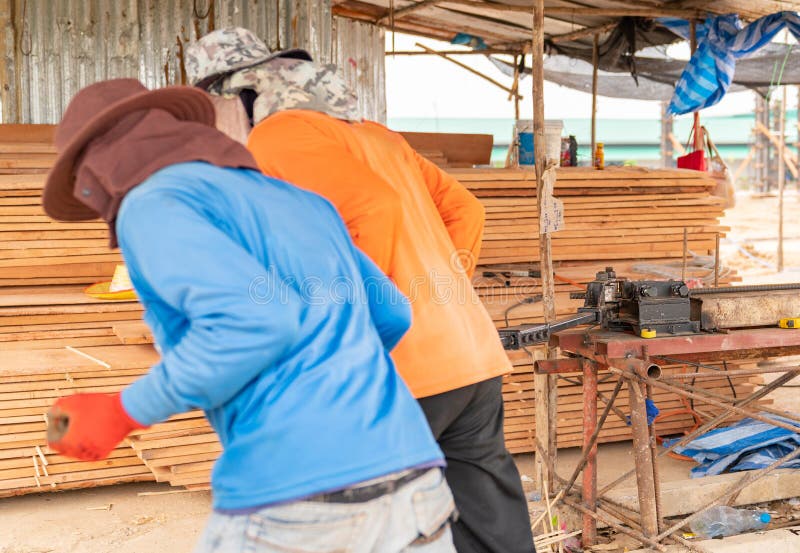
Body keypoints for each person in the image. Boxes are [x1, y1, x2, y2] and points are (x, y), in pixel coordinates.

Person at [42, 78, 457, 553]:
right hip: (410, 477)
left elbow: (252, 323)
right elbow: (391, 312)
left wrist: (124, 410)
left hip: (298, 492)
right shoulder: (300, 201)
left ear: (95, 173)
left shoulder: (152, 204)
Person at [186, 28, 535, 553]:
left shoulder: (276, 137)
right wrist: (441, 291)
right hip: (467, 357)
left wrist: (358, 328)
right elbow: (467, 209)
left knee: (352, 524)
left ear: (240, 94)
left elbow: (372, 209)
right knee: (488, 524)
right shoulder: (377, 136)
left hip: (399, 367)